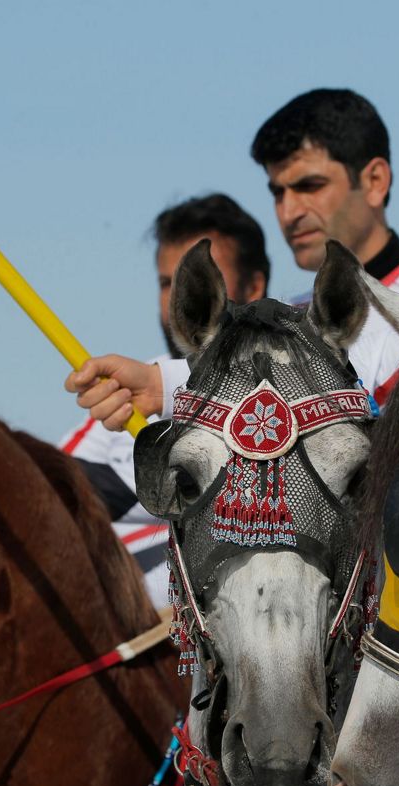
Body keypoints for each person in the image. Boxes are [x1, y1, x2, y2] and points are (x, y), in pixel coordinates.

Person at [67, 88, 399, 429]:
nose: (289, 211)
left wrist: (163, 385)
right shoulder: (290, 313)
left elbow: (331, 388)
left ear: (375, 181)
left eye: (310, 186)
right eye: (278, 192)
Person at [60, 194, 269, 604]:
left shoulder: (281, 389)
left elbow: (73, 492)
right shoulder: (137, 381)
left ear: (255, 285)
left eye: (201, 280)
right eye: (166, 283)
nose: (179, 300)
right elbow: (60, 481)